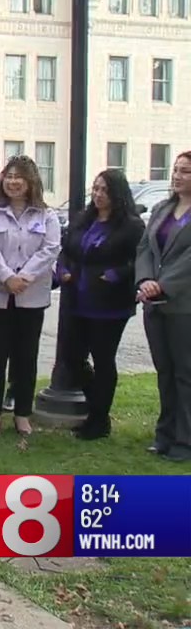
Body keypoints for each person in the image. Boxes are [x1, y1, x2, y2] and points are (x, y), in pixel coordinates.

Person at [0, 156, 60, 437]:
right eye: (8, 176)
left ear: (31, 181)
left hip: (30, 296)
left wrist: (24, 277)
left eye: (18, 177)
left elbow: (50, 249)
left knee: (26, 357)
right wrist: (7, 277)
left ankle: (23, 414)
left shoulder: (46, 216)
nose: (12, 182)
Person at [57, 170, 143, 441]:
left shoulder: (131, 225)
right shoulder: (84, 219)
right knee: (72, 358)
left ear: (117, 193)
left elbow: (139, 260)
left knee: (103, 360)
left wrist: (115, 274)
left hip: (109, 304)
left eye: (104, 190)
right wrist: (62, 269)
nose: (98, 194)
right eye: (95, 189)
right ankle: (98, 409)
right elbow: (66, 249)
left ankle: (97, 419)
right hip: (77, 298)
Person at [136, 150, 191, 461]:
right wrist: (145, 280)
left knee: (185, 373)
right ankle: (164, 434)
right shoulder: (161, 209)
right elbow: (145, 248)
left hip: (183, 305)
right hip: (153, 305)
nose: (178, 175)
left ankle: (185, 439)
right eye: (176, 170)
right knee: (165, 372)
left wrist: (163, 284)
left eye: (185, 171)